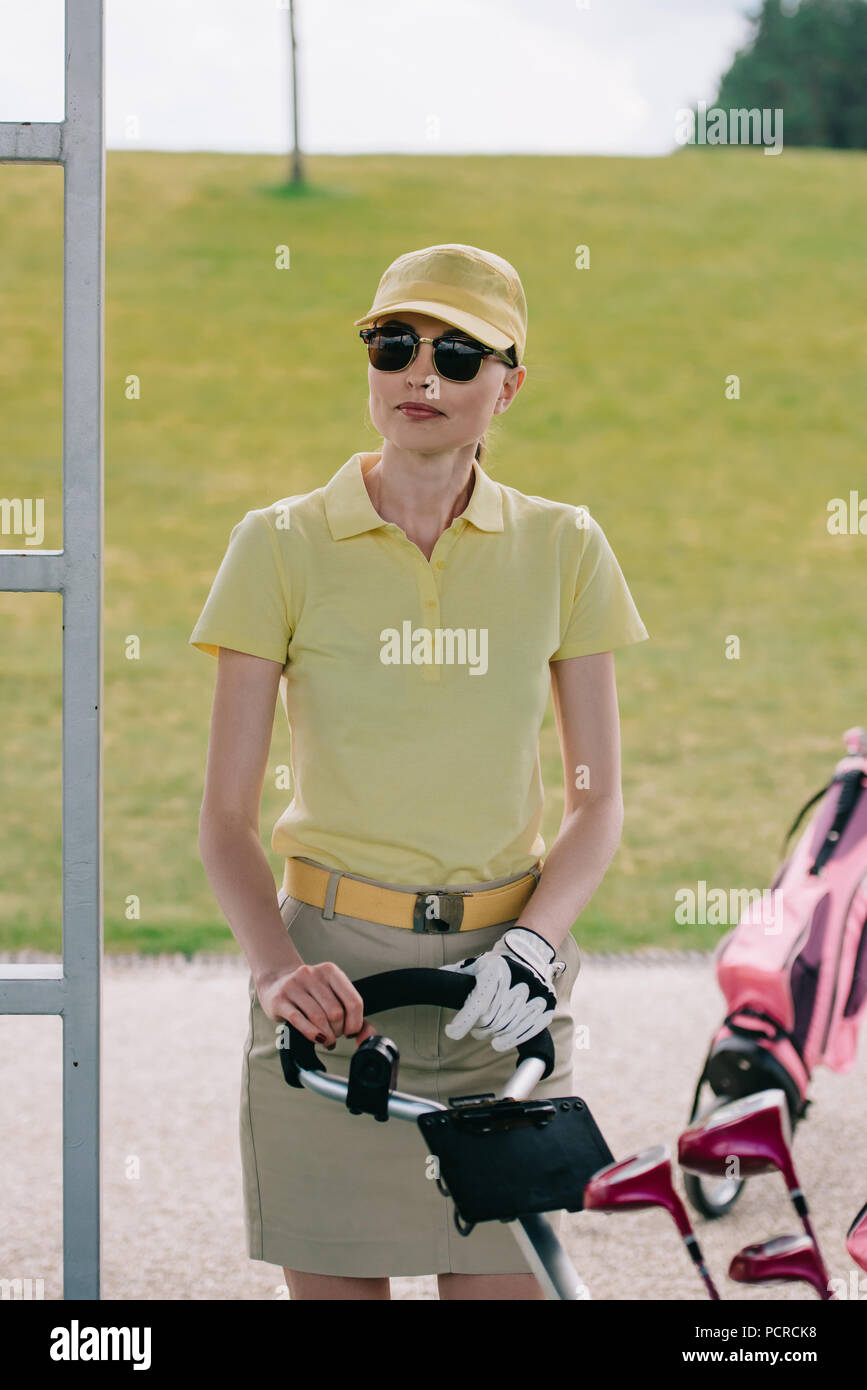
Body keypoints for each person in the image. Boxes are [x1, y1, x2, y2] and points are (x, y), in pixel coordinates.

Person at [189, 242, 649, 1301]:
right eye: (395, 344)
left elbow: (598, 799)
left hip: (503, 993)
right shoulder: (278, 544)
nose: (422, 374)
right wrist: (275, 971)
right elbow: (224, 815)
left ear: (510, 385)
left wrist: (536, 944)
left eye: (458, 351)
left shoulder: (566, 546)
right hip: (332, 993)